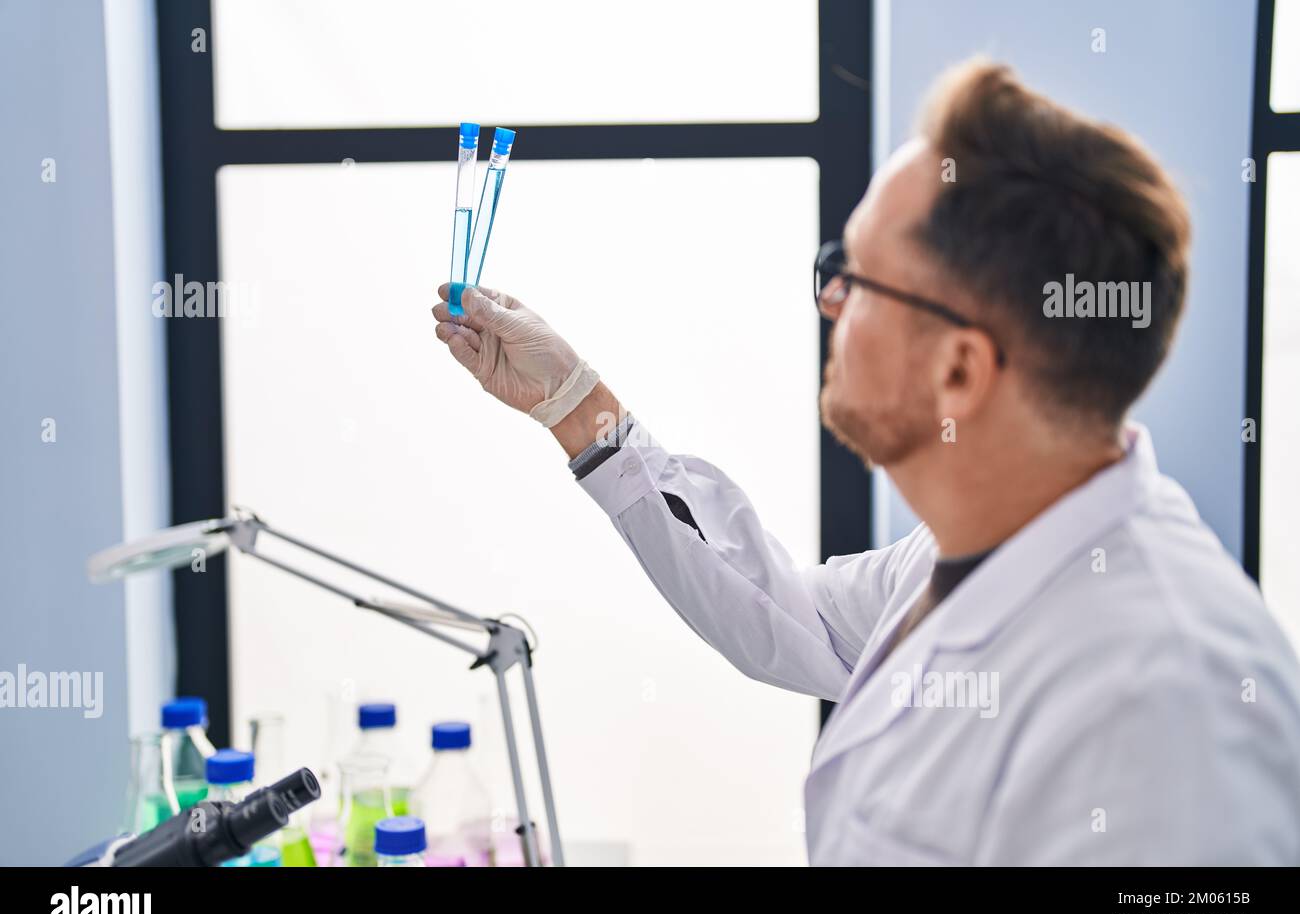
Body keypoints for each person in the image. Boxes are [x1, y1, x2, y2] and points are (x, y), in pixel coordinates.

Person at [431, 59, 1300, 865]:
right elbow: (778, 612)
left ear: (960, 366)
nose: (828, 304)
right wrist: (579, 406)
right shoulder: (963, 553)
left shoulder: (1170, 697)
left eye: (860, 276)